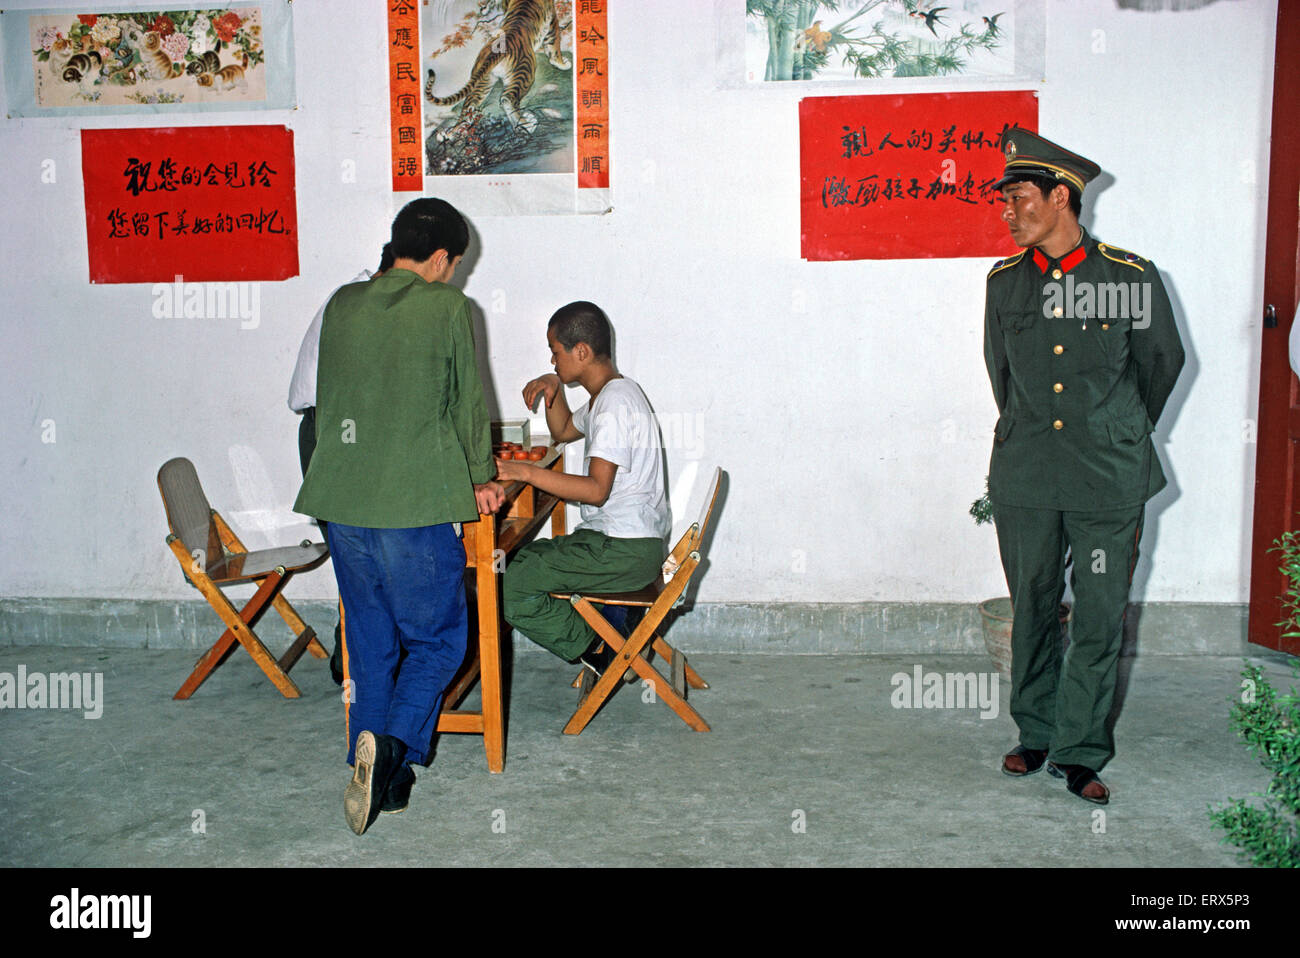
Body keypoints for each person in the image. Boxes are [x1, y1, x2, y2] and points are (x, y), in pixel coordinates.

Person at [983, 127, 1185, 805]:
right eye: (1004, 201)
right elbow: (1002, 375)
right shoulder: (1004, 283)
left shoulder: (1128, 278)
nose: (1007, 212)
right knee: (1033, 606)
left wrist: (1119, 431)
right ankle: (1034, 733)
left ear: (1062, 196)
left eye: (1019, 198)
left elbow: (1162, 364)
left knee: (1100, 615)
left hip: (1108, 476)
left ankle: (1080, 751)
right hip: (1029, 476)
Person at [294, 198, 505, 835]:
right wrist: (480, 480)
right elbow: (467, 405)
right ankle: (394, 751)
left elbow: (320, 406)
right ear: (441, 258)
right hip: (412, 507)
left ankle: (383, 776)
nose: (451, 278)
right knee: (440, 643)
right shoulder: (447, 308)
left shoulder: (341, 303)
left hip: (342, 505)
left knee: (372, 645)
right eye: (454, 267)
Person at [499, 301, 671, 676]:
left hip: (624, 550)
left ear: (581, 351)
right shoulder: (609, 396)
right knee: (528, 558)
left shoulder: (614, 405)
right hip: (624, 542)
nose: (552, 359)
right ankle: (609, 636)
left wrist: (524, 473)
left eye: (555, 352)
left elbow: (595, 490)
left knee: (512, 583)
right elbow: (562, 431)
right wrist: (553, 388)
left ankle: (602, 649)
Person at [288, 244, 395, 685]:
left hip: (348, 433)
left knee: (371, 559)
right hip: (334, 435)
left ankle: (355, 662)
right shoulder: (354, 305)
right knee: (362, 560)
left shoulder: (367, 299)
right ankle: (353, 667)